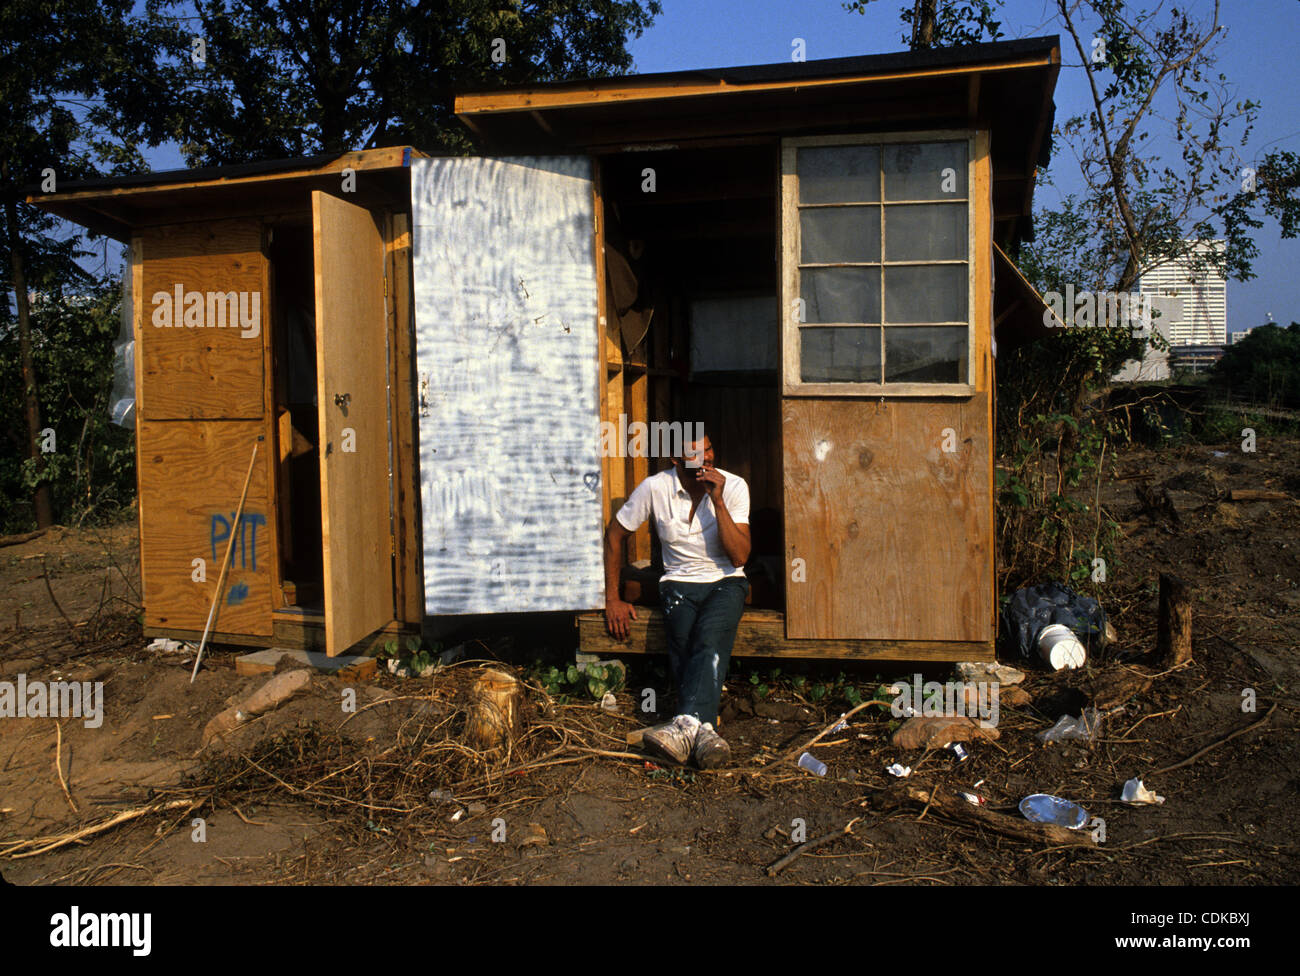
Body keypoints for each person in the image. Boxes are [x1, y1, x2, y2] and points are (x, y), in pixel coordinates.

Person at [604, 424, 751, 768]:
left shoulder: (733, 486)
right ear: (674, 459)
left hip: (725, 582)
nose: (706, 458)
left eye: (710, 449)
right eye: (695, 453)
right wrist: (613, 598)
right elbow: (614, 535)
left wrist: (717, 500)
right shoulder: (655, 488)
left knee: (709, 640)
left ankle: (683, 725)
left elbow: (740, 556)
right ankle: (706, 734)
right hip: (678, 585)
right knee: (685, 645)